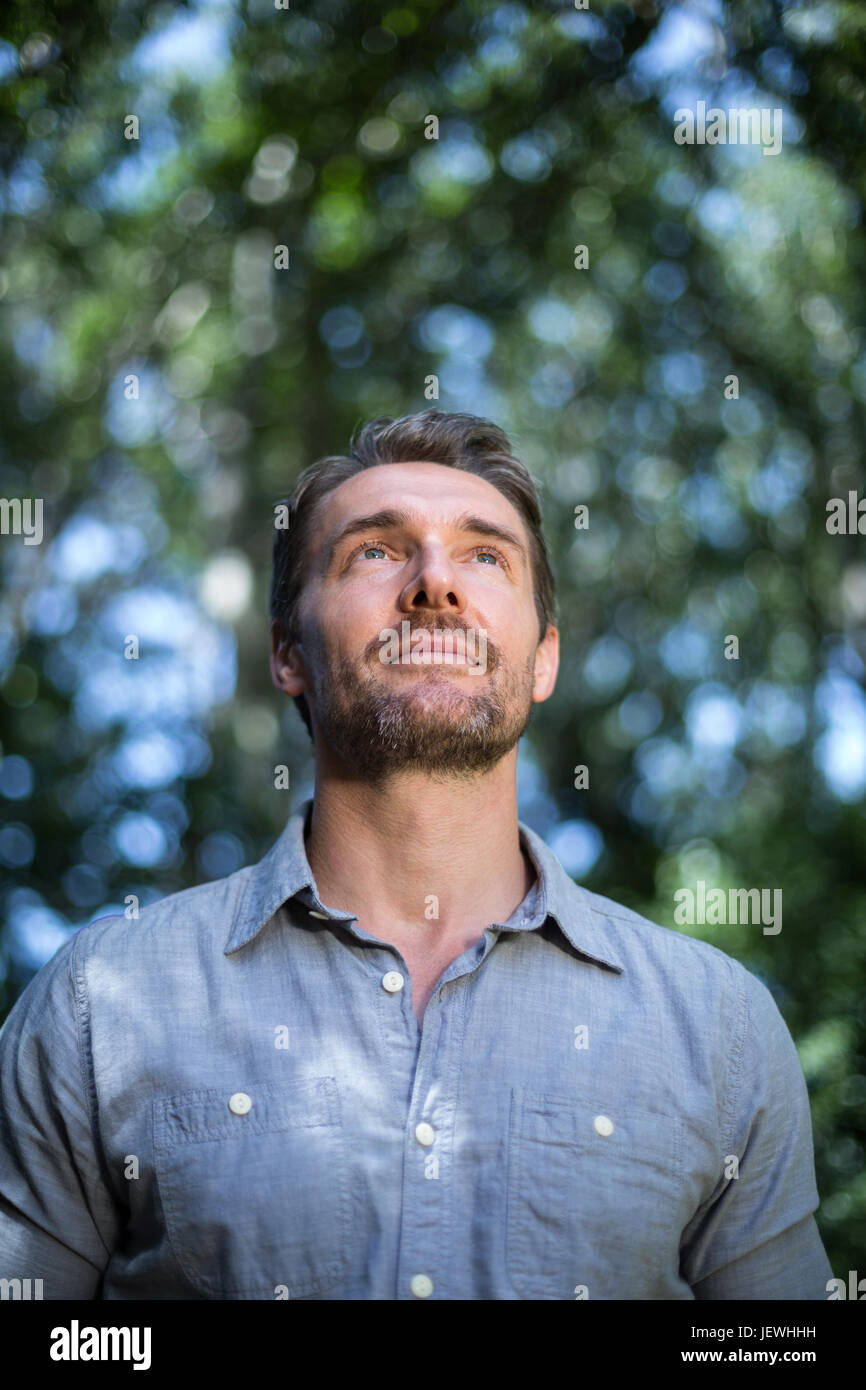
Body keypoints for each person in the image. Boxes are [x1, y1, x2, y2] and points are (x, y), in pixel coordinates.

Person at [0, 409, 832, 1299]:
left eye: (485, 556)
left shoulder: (720, 1028)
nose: (435, 582)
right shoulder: (101, 1004)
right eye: (374, 551)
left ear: (543, 659)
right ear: (288, 652)